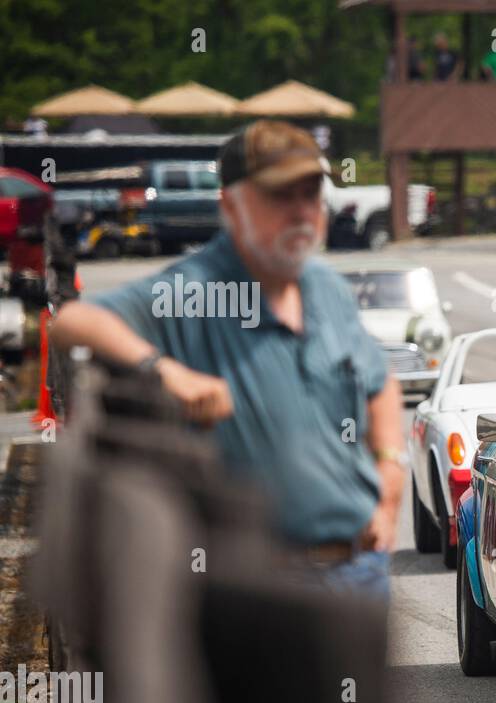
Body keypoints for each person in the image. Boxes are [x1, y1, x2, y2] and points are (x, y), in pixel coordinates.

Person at [49, 121, 404, 605]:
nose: (301, 211)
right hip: (254, 582)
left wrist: (389, 481)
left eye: (310, 193)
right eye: (281, 196)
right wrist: (163, 370)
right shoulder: (199, 288)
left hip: (358, 570)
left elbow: (379, 384)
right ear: (231, 207)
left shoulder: (326, 287)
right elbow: (71, 320)